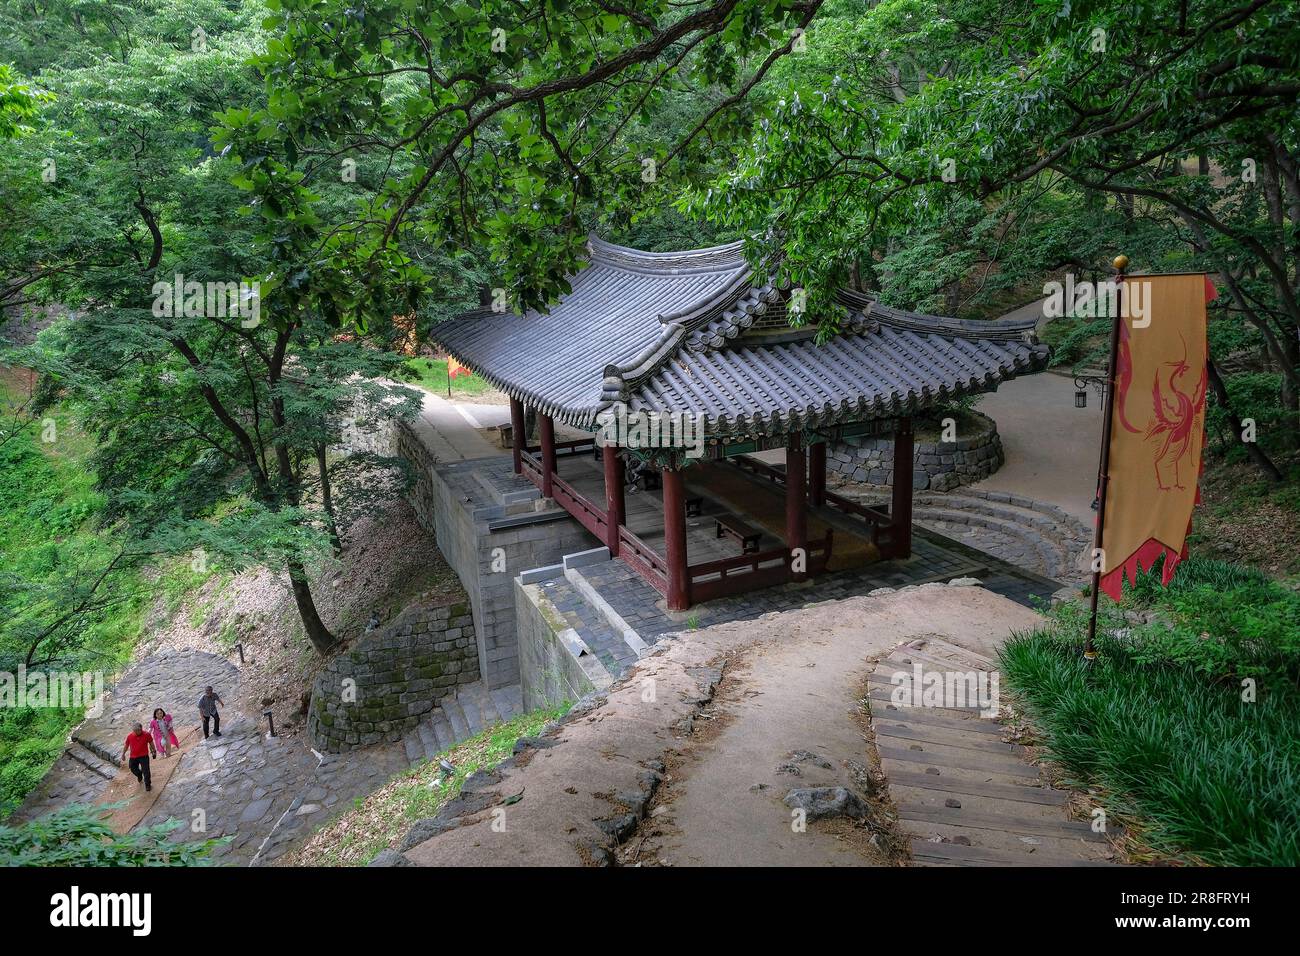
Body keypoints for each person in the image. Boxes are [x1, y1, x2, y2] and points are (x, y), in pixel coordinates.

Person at [121, 722, 156, 791]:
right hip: (133, 756)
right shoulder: (130, 736)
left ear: (141, 729)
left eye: (137, 730)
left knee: (146, 771)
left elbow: (151, 743)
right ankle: (139, 774)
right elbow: (126, 745)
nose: (136, 732)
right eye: (134, 731)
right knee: (132, 768)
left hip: (144, 756)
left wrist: (154, 751)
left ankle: (148, 785)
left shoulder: (147, 734)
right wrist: (123, 754)